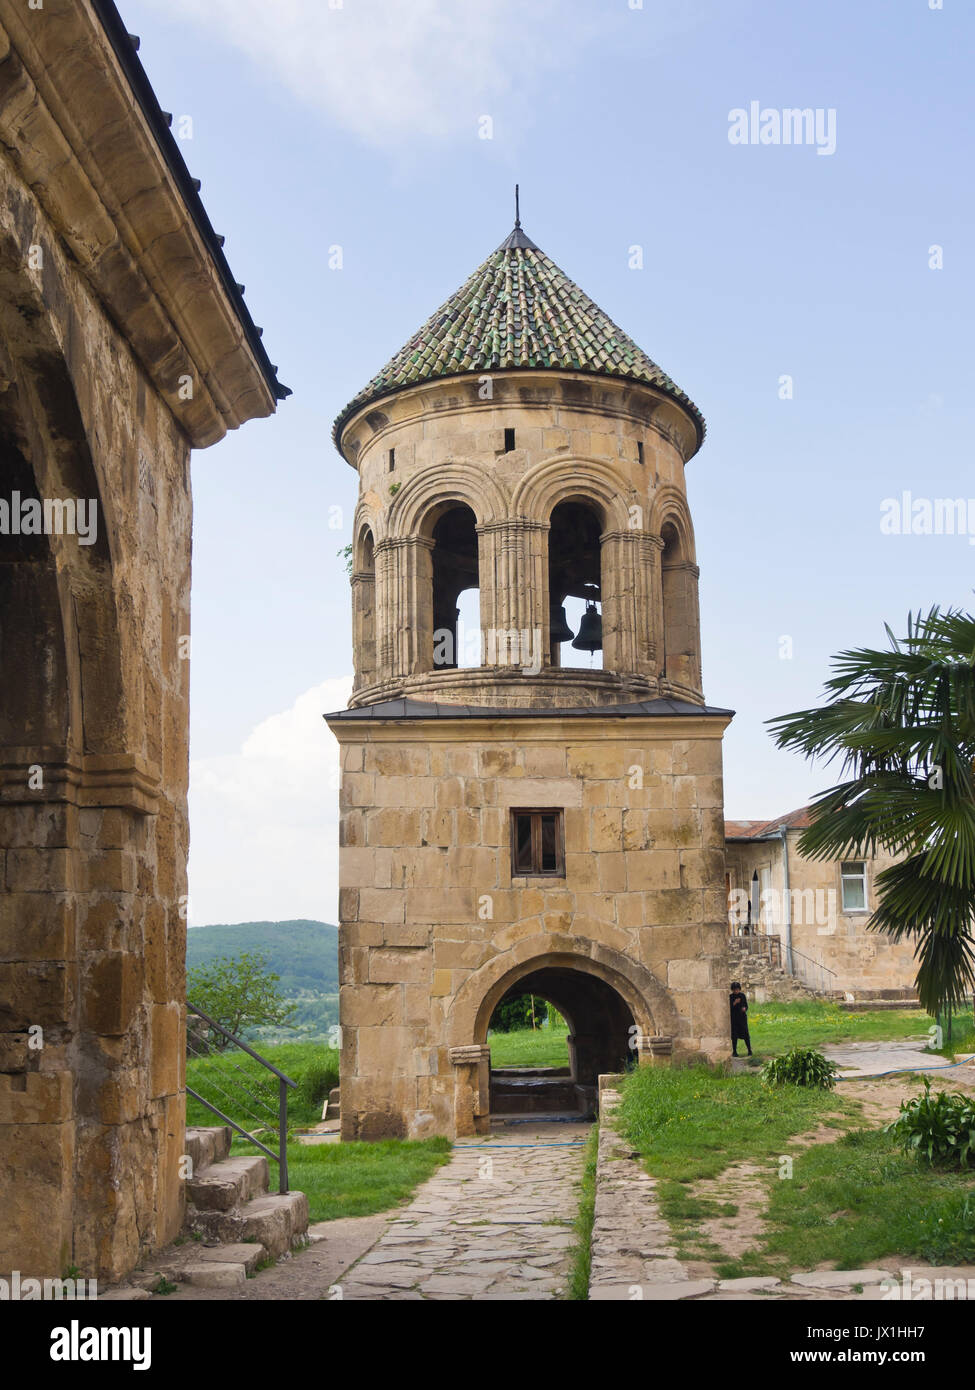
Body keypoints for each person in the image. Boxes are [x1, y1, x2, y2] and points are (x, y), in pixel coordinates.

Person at [729, 981, 752, 1057]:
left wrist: (744, 1008)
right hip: (734, 1019)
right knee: (734, 1036)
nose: (736, 991)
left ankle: (749, 1050)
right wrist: (734, 1003)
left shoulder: (742, 996)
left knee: (745, 1034)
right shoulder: (730, 997)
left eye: (737, 989)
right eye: (735, 989)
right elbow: (729, 1009)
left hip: (742, 1018)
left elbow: (746, 1005)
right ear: (732, 990)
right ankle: (734, 1051)